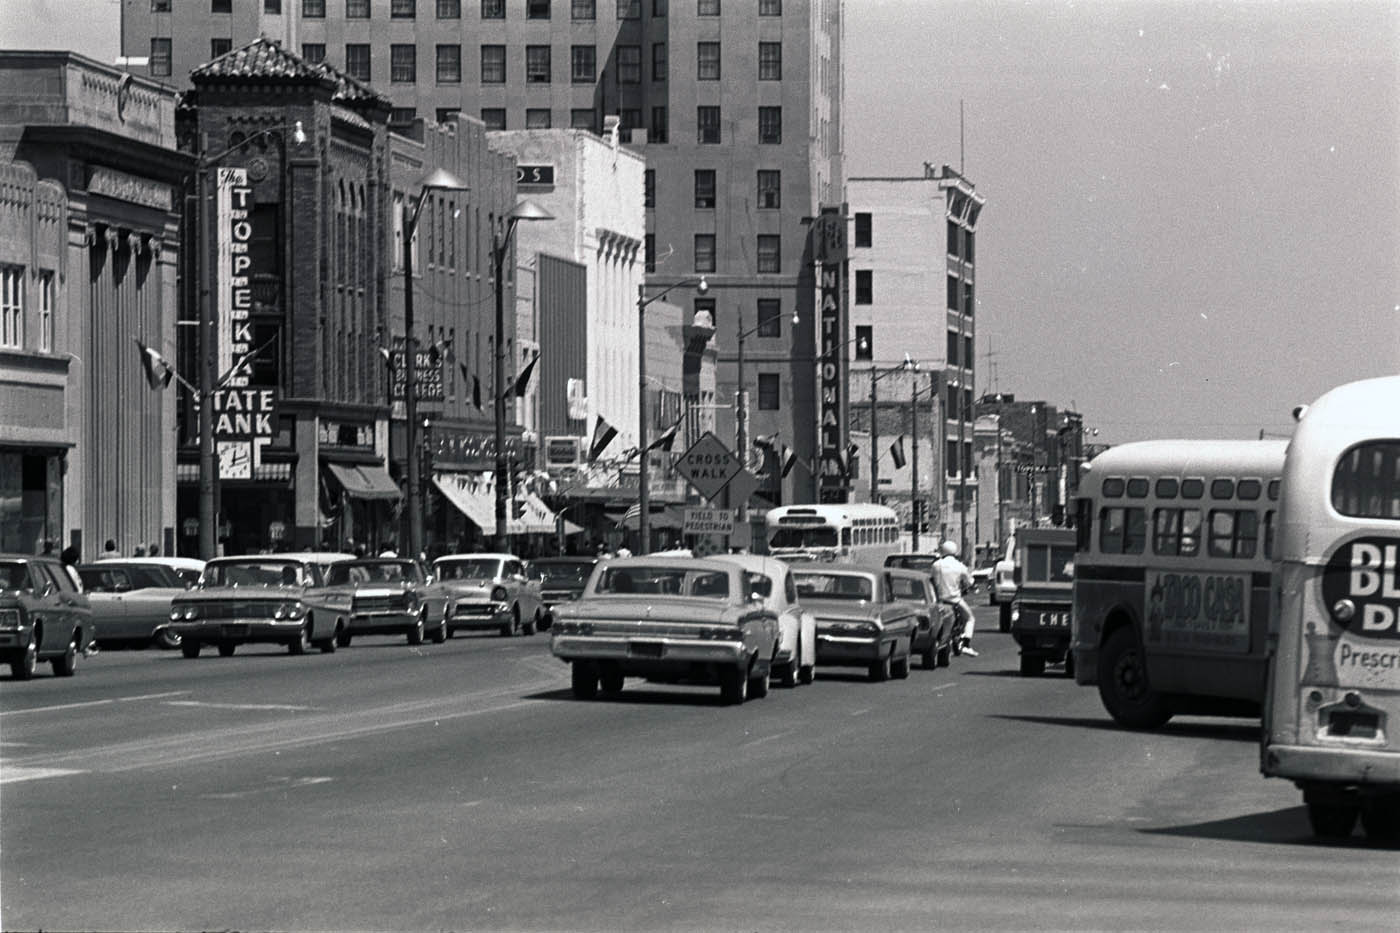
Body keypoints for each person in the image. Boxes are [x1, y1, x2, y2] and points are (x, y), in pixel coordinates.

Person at [933, 540, 978, 657]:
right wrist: (972, 586)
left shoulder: (936, 565)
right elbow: (969, 581)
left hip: (939, 600)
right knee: (970, 618)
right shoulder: (959, 566)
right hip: (954, 599)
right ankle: (967, 644)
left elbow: (932, 580)